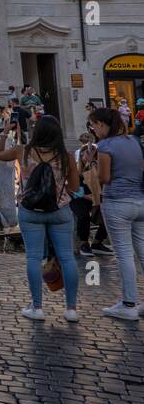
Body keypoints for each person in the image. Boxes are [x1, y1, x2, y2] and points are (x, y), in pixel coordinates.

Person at [0, 116, 79, 322]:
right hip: (59, 210)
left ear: (36, 132)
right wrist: (60, 191)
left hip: (30, 210)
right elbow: (75, 187)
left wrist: (5, 132)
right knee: (67, 257)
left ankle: (37, 307)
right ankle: (71, 309)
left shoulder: (22, 151)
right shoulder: (65, 156)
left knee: (33, 257)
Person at [88, 107, 144, 320]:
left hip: (118, 202)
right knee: (142, 252)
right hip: (140, 200)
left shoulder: (105, 145)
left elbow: (104, 178)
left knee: (123, 254)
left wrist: (92, 161)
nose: (93, 130)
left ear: (102, 124)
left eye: (94, 125)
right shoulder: (133, 141)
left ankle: (128, 304)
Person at [71, 135, 111, 257]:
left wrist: (92, 163)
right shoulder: (77, 171)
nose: (87, 156)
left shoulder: (98, 168)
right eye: (86, 154)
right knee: (83, 216)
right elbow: (72, 189)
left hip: (96, 199)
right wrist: (85, 196)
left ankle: (97, 242)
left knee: (108, 216)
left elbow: (101, 182)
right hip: (79, 199)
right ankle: (84, 243)